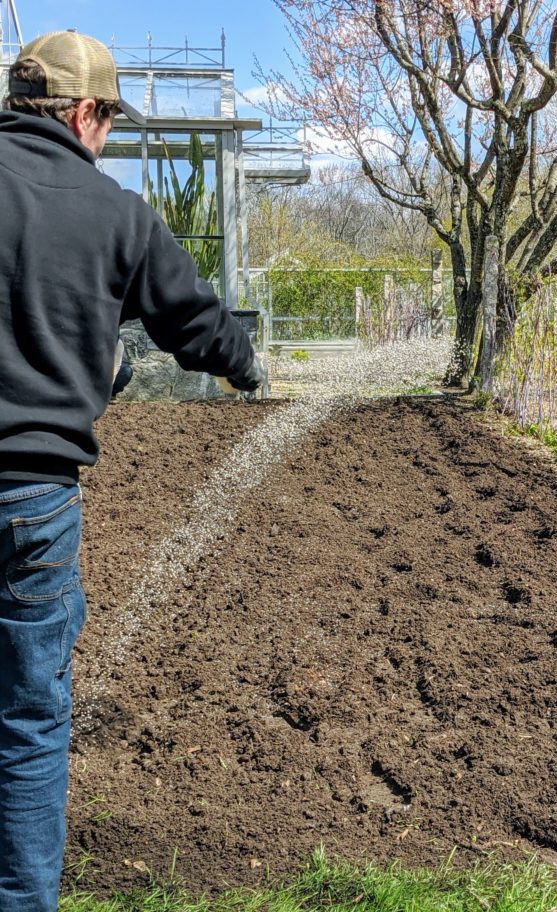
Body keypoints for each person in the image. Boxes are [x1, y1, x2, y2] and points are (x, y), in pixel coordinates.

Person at [0, 30, 265, 912]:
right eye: (107, 119)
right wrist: (246, 364)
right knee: (29, 724)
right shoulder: (115, 213)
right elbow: (196, 324)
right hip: (30, 501)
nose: (105, 135)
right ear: (84, 113)